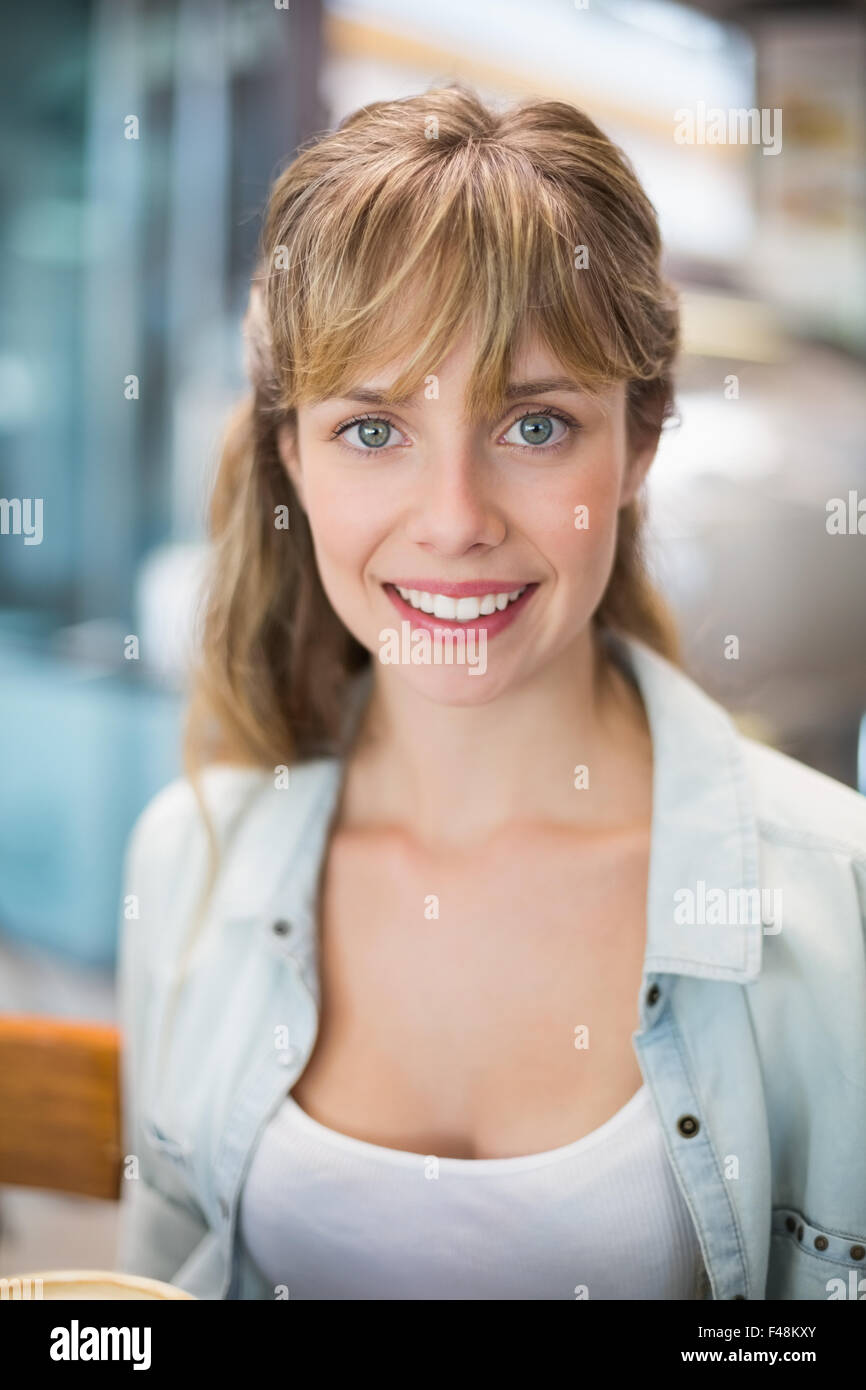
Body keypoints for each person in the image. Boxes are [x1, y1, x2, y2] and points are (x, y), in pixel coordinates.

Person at [115, 85, 866, 1301]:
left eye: (532, 425)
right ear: (289, 455)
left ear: (639, 444)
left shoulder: (839, 904)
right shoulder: (186, 862)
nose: (455, 520)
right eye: (372, 430)